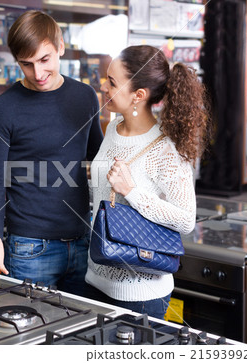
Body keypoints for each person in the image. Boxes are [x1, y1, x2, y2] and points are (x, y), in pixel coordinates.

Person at [0, 10, 103, 296]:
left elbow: (99, 158)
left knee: (80, 335)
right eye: (26, 64)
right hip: (30, 250)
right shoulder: (3, 109)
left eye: (45, 60)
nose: (38, 74)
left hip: (83, 242)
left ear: (61, 47)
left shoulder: (84, 96)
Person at [86, 45, 211, 319]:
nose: (104, 88)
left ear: (138, 96)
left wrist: (131, 191)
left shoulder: (166, 149)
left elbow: (186, 220)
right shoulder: (112, 127)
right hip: (95, 280)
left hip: (140, 296)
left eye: (112, 83)